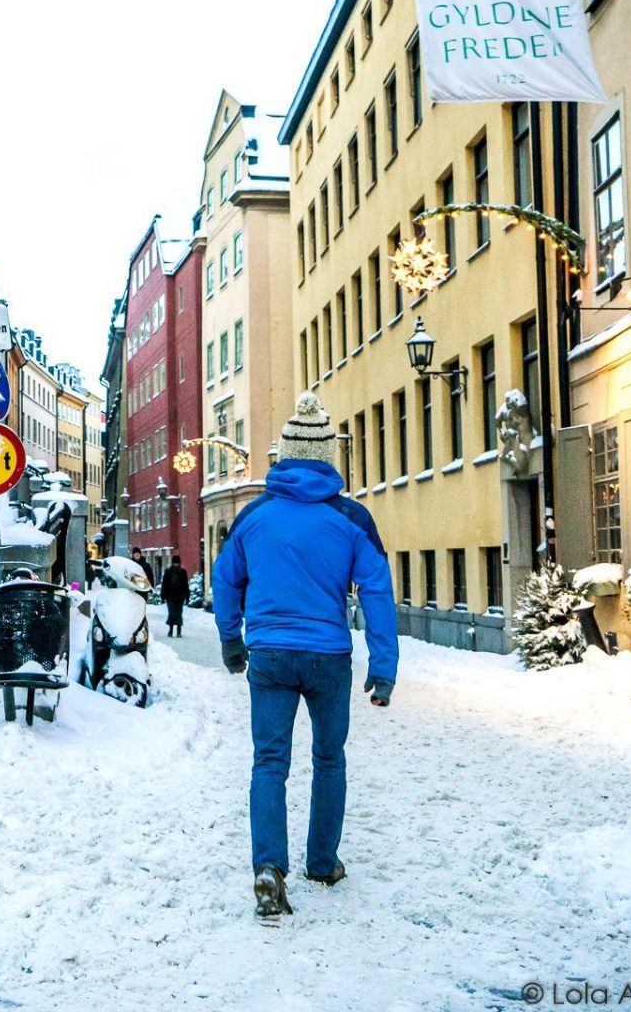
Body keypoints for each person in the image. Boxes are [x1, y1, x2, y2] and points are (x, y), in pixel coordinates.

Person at [213, 392, 397, 919]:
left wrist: (231, 639)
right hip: (328, 658)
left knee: (268, 762)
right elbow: (378, 592)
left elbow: (226, 580)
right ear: (329, 458)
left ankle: (269, 868)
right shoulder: (352, 518)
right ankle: (322, 861)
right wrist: (383, 667)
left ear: (285, 457)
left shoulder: (254, 515)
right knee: (328, 759)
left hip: (269, 655)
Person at [160, 559, 189, 637]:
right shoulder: (168, 571)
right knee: (171, 613)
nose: (176, 564)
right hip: (170, 596)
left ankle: (179, 632)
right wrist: (163, 596)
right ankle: (170, 630)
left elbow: (186, 585)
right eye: (175, 562)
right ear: (172, 563)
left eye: (177, 562)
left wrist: (187, 596)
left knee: (179, 613)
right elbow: (164, 584)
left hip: (180, 596)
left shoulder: (183, 572)